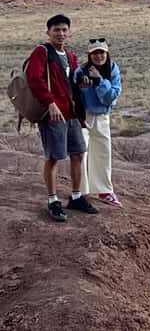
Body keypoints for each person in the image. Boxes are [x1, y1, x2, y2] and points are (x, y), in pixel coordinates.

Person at [25, 14, 98, 222]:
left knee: (78, 153)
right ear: (48, 32)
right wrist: (50, 102)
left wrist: (85, 82)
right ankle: (53, 200)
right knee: (54, 156)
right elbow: (34, 79)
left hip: (71, 112)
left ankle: (76, 197)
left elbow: (74, 82)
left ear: (69, 32)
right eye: (56, 30)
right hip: (53, 114)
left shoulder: (70, 55)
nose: (61, 33)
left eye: (64, 30)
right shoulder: (41, 52)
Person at [76, 38, 122, 207]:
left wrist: (99, 81)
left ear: (107, 53)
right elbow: (75, 93)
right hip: (83, 116)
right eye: (94, 53)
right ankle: (80, 191)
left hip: (102, 116)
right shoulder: (81, 71)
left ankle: (105, 190)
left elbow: (110, 97)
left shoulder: (112, 69)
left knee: (103, 151)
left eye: (101, 52)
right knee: (82, 153)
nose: (99, 56)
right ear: (90, 55)